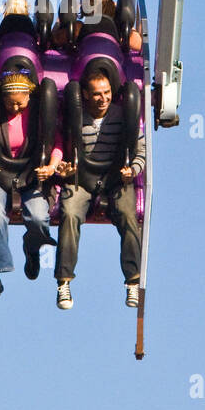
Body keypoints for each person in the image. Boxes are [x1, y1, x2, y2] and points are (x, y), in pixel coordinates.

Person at [53, 65, 144, 310]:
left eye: (107, 93)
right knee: (70, 213)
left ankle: (133, 280)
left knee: (127, 214)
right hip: (82, 179)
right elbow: (60, 148)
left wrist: (132, 170)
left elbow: (141, 150)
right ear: (85, 94)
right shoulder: (76, 118)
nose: (103, 99)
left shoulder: (122, 116)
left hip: (116, 178)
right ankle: (64, 281)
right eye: (96, 94)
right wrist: (63, 168)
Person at [0, 71, 62, 299]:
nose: (15, 108)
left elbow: (57, 142)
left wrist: (51, 166)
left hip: (30, 174)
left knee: (39, 217)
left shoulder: (38, 117)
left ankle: (32, 248)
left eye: (20, 104)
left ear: (29, 97)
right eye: (10, 104)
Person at [51, 0, 142, 51]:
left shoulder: (77, 30)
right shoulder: (121, 35)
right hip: (112, 66)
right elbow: (140, 45)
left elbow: (53, 41)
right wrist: (124, 17)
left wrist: (61, 21)